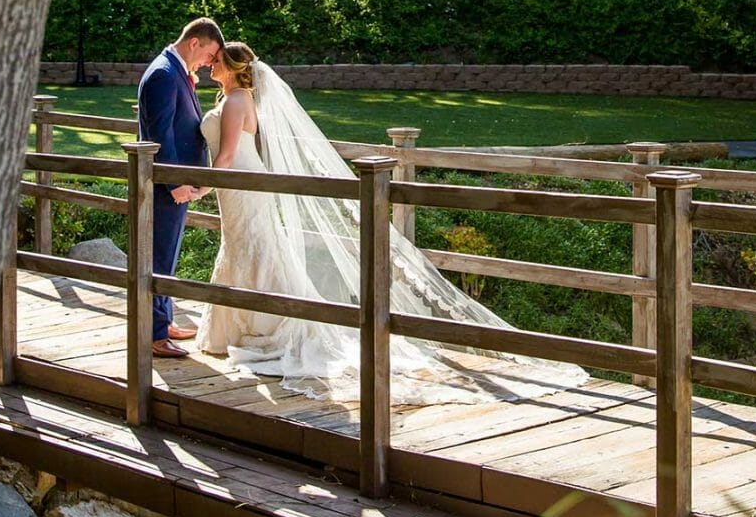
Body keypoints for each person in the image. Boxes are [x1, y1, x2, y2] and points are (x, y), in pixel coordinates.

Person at [194, 43, 588, 403]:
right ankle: (245, 324)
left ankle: (262, 328)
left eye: (216, 62)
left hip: (240, 183)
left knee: (254, 247)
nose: (210, 66)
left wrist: (195, 189)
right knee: (249, 247)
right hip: (243, 186)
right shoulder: (239, 98)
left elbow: (227, 157)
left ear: (232, 67)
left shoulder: (234, 102)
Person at [138, 17, 224, 357]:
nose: (209, 63)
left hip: (175, 182)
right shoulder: (162, 74)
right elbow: (160, 135)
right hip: (165, 186)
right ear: (195, 43)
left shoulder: (175, 71)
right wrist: (174, 183)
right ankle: (155, 335)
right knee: (158, 253)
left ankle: (164, 320)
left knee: (167, 251)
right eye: (210, 54)